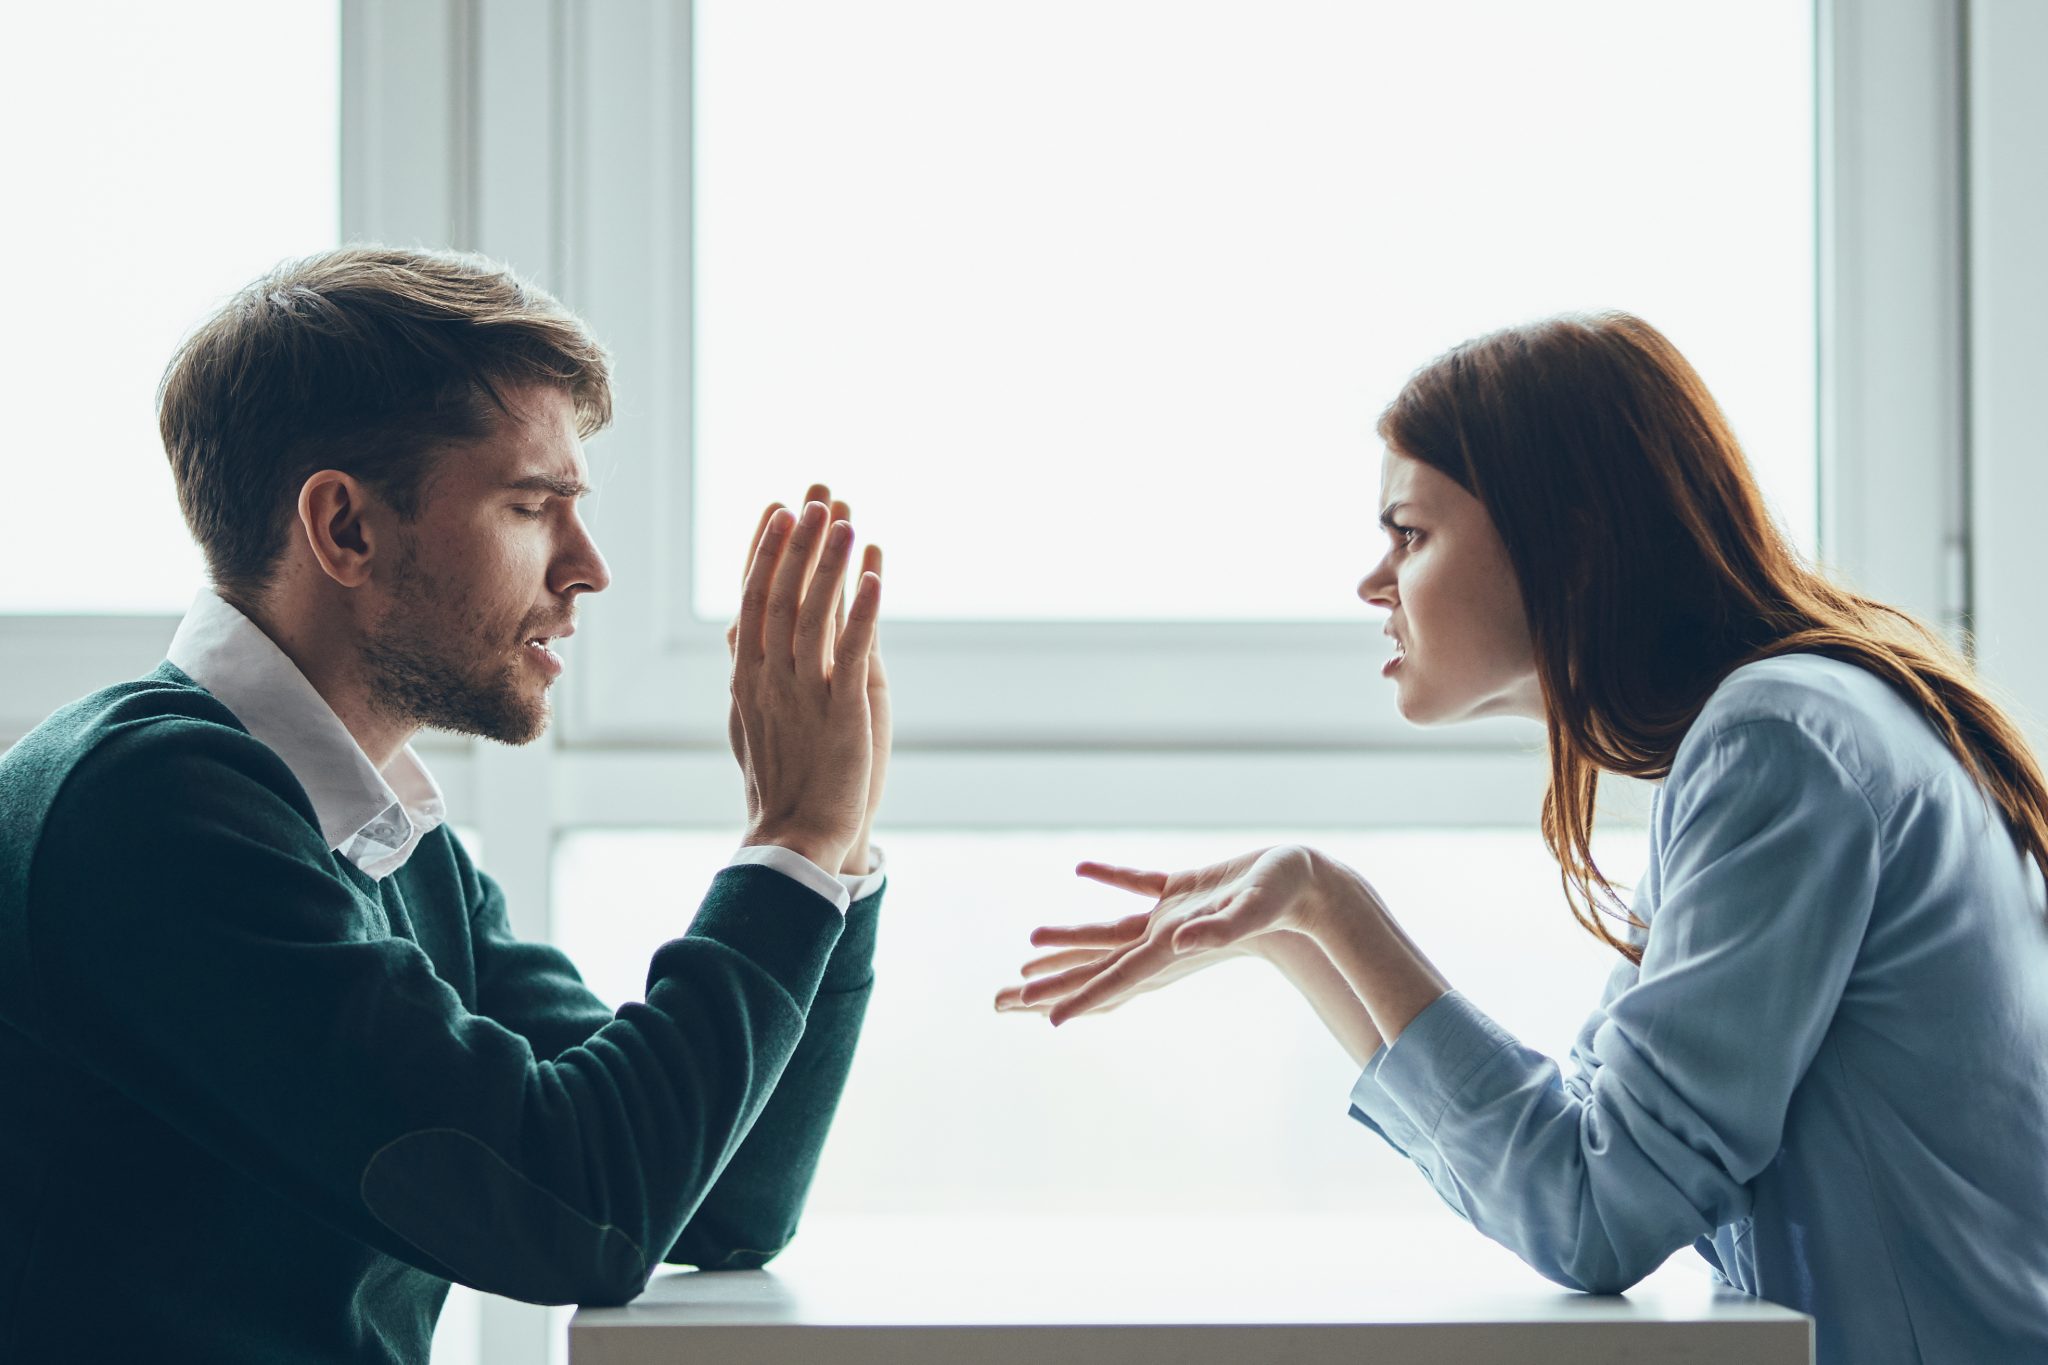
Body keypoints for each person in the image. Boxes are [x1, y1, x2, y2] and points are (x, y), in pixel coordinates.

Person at [997, 312, 2048, 1365]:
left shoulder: (1772, 744)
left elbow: (1595, 1213)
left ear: (1572, 545)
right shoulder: (1792, 727)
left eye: (1409, 534)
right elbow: (1575, 1153)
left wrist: (1334, 907)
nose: (1372, 583)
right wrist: (1294, 933)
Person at [0, 246, 890, 1363]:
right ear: (345, 528)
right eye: (532, 506)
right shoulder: (151, 814)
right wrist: (791, 842)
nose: (588, 567)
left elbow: (718, 1201)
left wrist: (831, 850)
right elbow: (581, 1210)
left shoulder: (384, 842)